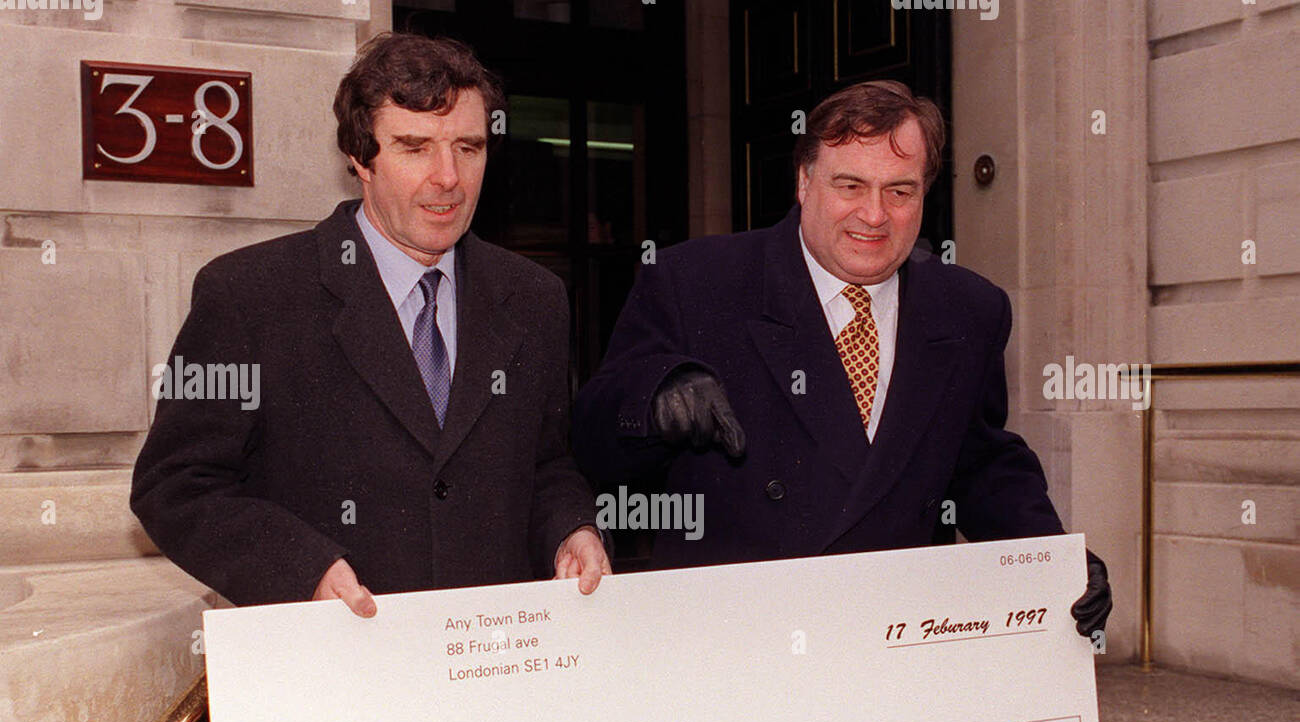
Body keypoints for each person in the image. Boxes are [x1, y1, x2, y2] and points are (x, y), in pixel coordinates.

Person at [572, 80, 1110, 638]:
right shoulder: (697, 283)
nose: (874, 215)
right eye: (850, 185)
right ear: (804, 181)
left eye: (899, 191)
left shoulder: (969, 309)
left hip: (893, 638)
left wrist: (1054, 565)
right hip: (735, 637)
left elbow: (981, 466)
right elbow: (590, 444)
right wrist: (655, 399)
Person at [131, 33, 609, 617]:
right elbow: (175, 485)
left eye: (468, 147)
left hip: (492, 650)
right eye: (415, 147)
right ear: (360, 157)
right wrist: (303, 570)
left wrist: (571, 530)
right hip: (334, 653)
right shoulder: (248, 296)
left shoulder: (535, 298)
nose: (448, 177)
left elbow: (546, 466)